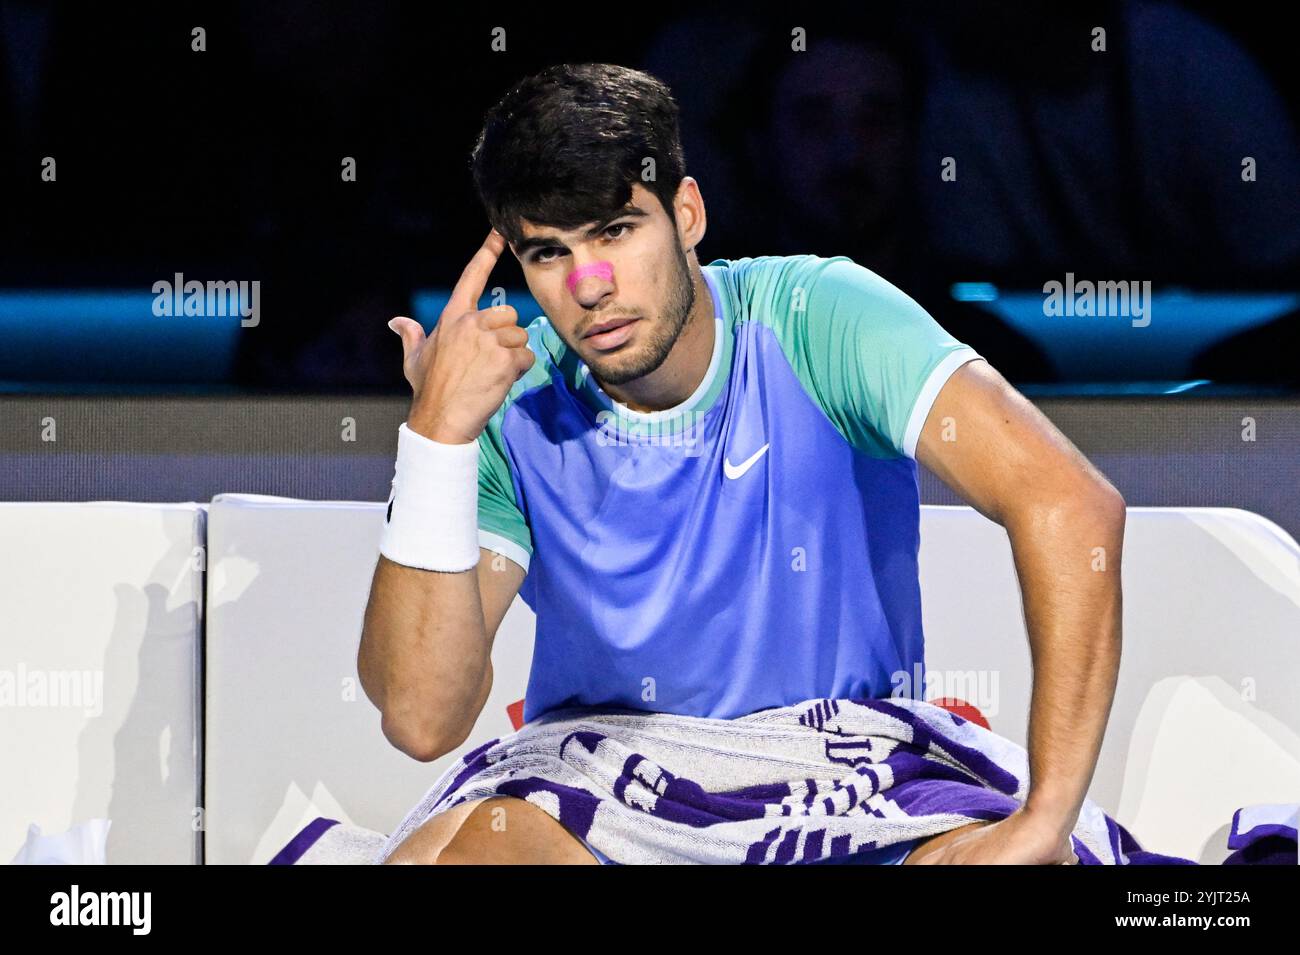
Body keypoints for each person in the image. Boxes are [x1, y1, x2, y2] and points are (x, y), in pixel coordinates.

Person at [357, 63, 1120, 865]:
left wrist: (1044, 818)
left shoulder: (820, 318)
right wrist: (436, 437)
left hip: (848, 774)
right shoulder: (510, 399)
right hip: (607, 784)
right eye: (550, 252)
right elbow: (422, 717)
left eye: (615, 231)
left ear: (687, 213)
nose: (589, 285)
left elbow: (1070, 502)